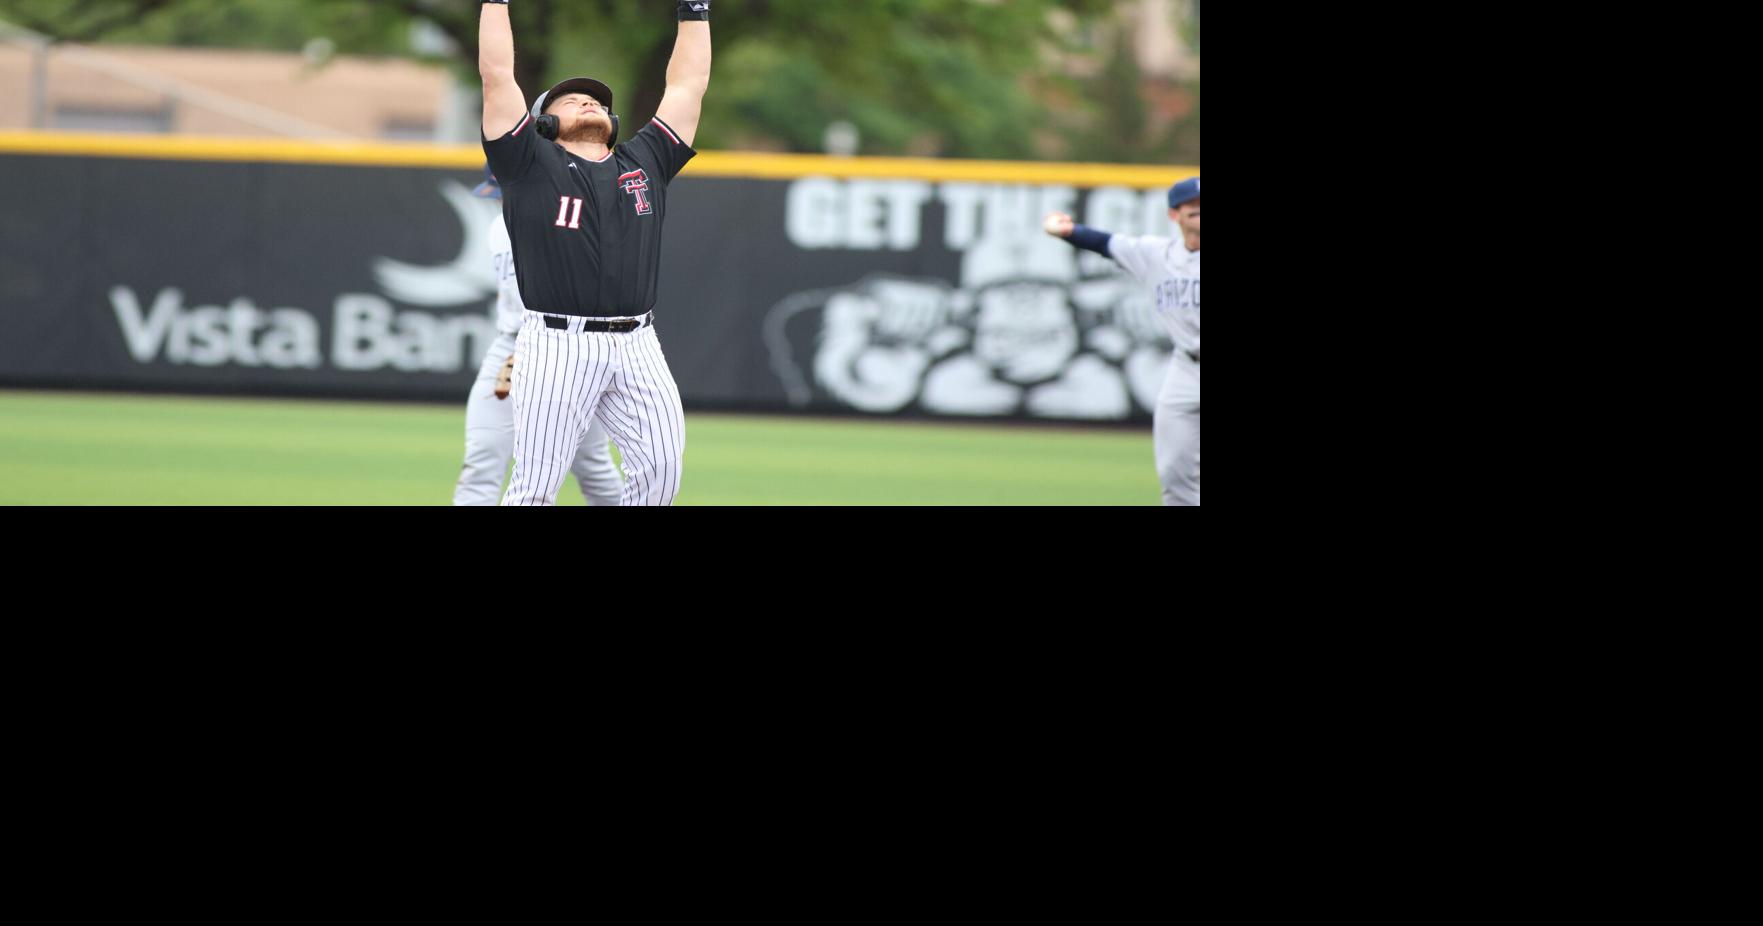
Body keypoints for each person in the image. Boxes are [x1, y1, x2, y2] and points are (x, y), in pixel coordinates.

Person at [478, 0, 712, 505]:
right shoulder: (527, 164)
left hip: (638, 342)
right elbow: (497, 76)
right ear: (540, 124)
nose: (588, 102)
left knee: (662, 471)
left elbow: (688, 85)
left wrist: (695, 9)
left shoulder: (645, 159)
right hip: (559, 344)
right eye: (570, 101)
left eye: (596, 100)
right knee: (536, 489)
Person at [454, 163, 623, 507]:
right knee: (482, 458)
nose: (503, 201)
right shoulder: (498, 227)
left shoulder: (569, 219)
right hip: (513, 348)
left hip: (571, 349)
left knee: (592, 466)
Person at [1043, 177, 1200, 505]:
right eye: (1194, 210)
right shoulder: (1155, 254)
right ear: (1175, 216)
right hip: (1187, 367)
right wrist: (1069, 231)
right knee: (1174, 469)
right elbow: (1106, 243)